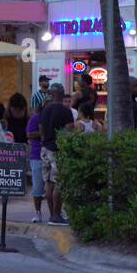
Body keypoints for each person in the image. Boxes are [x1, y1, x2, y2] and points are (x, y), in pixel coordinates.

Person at [40, 83, 75, 226]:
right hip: (58, 150)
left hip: (45, 149)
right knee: (58, 183)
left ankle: (52, 215)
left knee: (48, 182)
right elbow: (69, 131)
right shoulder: (66, 111)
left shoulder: (45, 110)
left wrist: (45, 140)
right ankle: (56, 215)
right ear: (62, 94)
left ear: (52, 94)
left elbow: (41, 129)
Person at [27, 104, 45, 223]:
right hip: (37, 155)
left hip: (53, 153)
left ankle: (57, 213)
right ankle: (38, 213)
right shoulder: (36, 118)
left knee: (54, 186)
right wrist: (42, 133)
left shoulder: (54, 116)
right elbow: (29, 134)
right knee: (37, 186)